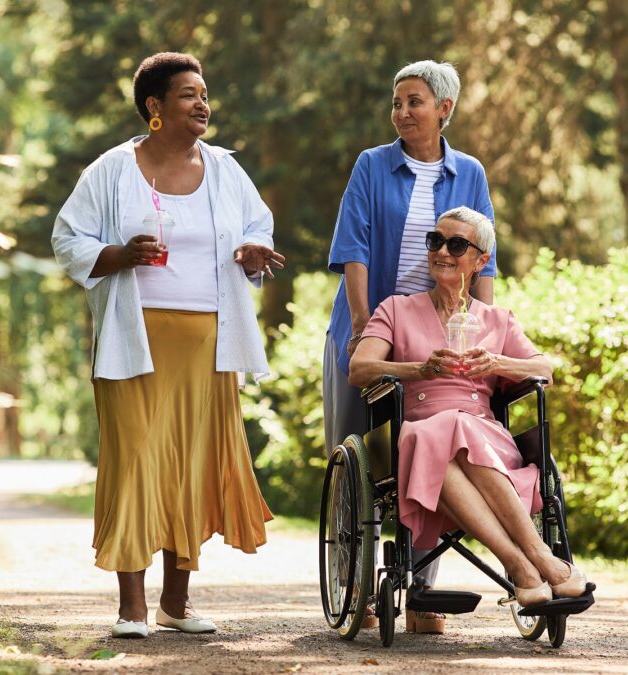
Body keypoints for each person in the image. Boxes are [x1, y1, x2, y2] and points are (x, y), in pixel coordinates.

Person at [51, 52, 286, 639]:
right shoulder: (111, 170)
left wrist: (255, 251)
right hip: (132, 344)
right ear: (154, 107)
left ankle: (175, 605)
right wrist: (118, 256)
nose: (203, 104)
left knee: (190, 466)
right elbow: (66, 237)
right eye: (188, 94)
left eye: (205, 93)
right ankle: (131, 607)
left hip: (208, 345)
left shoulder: (226, 170)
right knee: (134, 463)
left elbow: (258, 224)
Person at [323, 59, 496, 633]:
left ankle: (422, 591)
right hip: (372, 326)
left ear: (444, 109)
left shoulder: (468, 172)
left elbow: (483, 256)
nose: (402, 113)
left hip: (440, 335)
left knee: (437, 446)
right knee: (360, 455)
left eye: (414, 102)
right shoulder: (372, 166)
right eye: (397, 103)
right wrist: (359, 329)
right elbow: (355, 247)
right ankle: (356, 588)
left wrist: (487, 328)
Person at [348, 207, 588, 615]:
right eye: (435, 241)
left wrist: (496, 362)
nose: (442, 250)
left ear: (480, 260)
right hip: (417, 431)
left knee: (456, 428)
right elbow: (360, 369)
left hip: (483, 439)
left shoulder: (497, 320)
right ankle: (532, 561)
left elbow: (543, 369)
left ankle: (526, 566)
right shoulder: (396, 309)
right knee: (433, 434)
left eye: (456, 244)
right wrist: (419, 369)